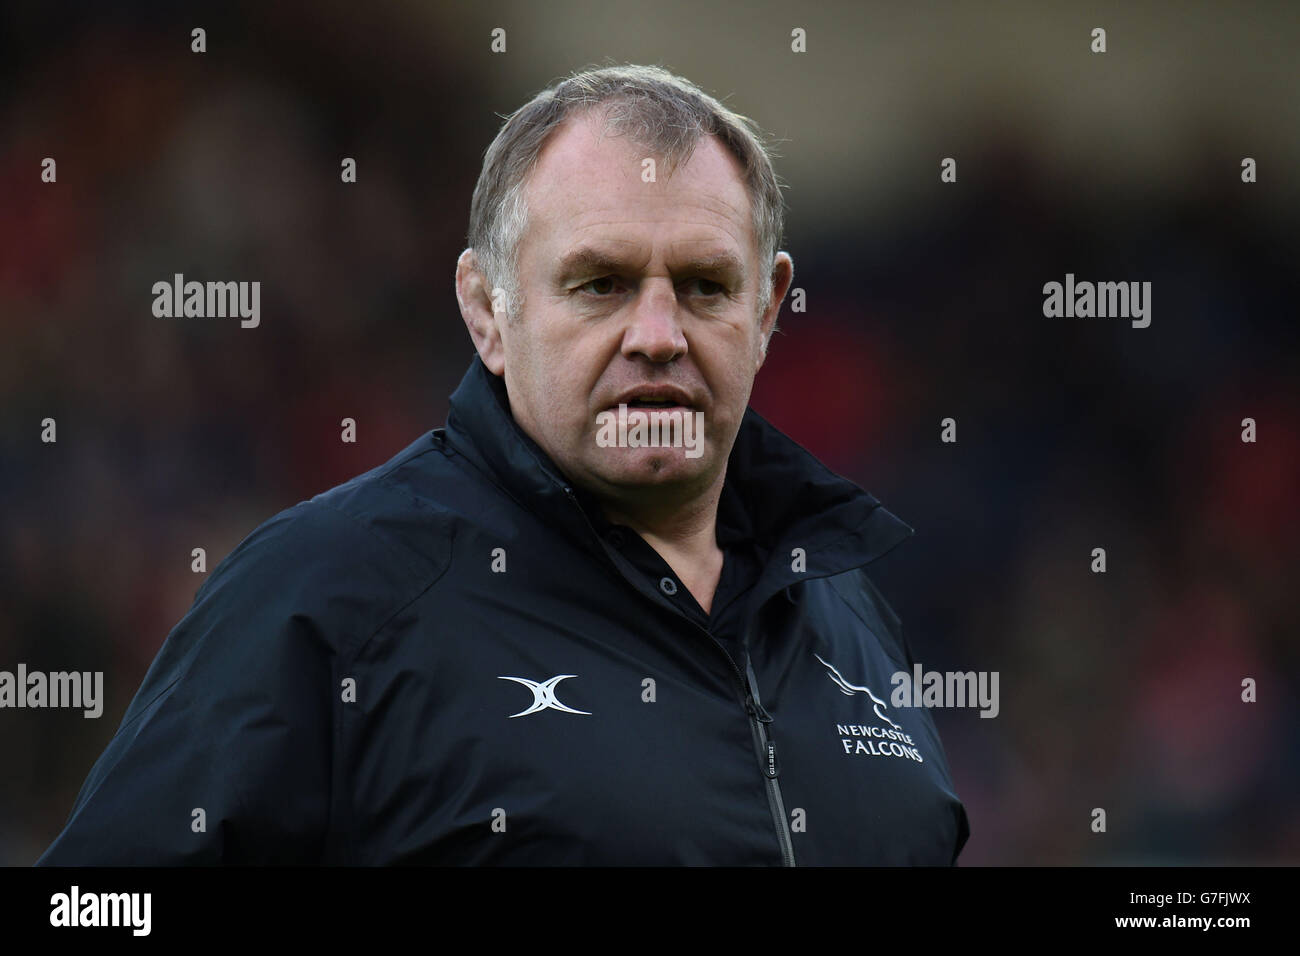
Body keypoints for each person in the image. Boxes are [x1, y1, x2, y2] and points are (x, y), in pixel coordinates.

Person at [38, 64, 969, 865]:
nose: (657, 335)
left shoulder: (845, 610)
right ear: (487, 310)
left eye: (704, 286)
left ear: (767, 311)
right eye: (599, 284)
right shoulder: (326, 596)